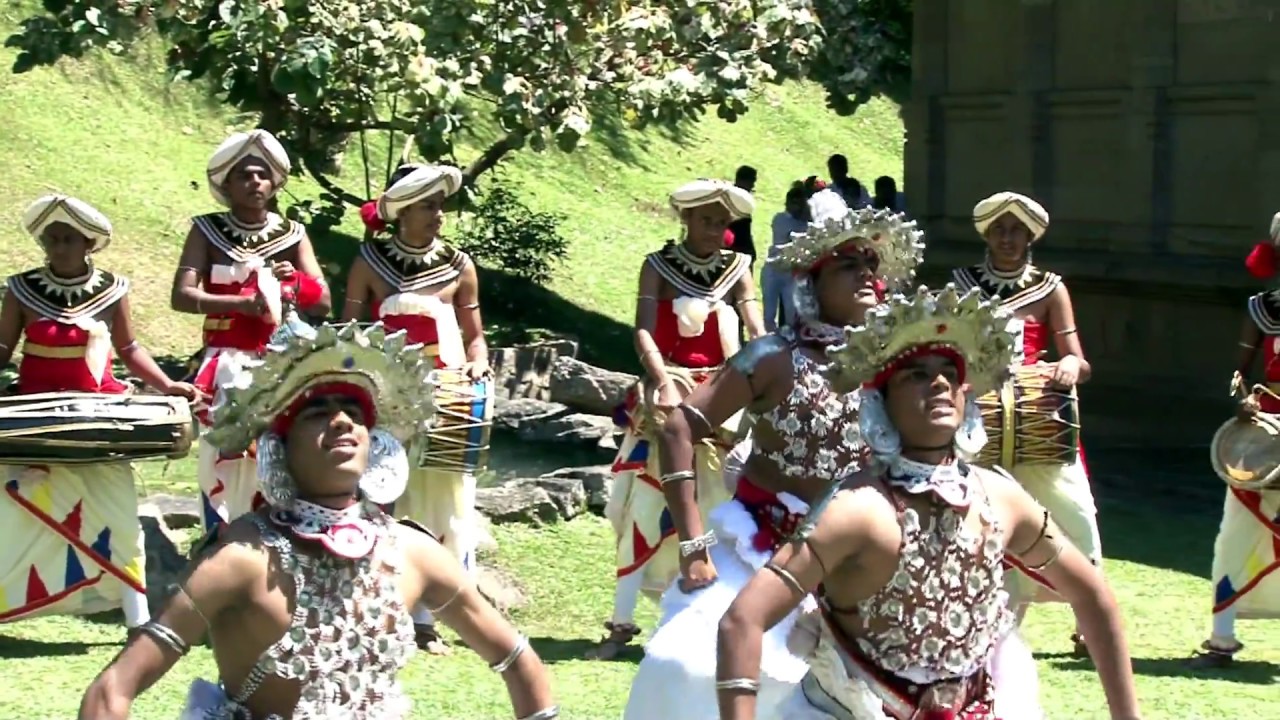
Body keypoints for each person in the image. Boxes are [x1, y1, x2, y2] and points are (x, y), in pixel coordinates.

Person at [77, 318, 558, 720]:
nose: (343, 422)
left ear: (376, 445)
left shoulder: (413, 553)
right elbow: (112, 690)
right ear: (278, 449)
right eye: (318, 412)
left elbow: (519, 661)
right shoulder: (243, 557)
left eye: (354, 411)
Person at [716, 285, 1143, 720]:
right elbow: (741, 621)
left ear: (966, 395)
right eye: (915, 374)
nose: (938, 383)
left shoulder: (1000, 498)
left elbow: (1093, 596)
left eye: (950, 373)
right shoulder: (858, 509)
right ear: (881, 403)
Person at [622, 190, 926, 719]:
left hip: (858, 567)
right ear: (811, 284)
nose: (866, 277)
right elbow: (677, 429)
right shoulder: (772, 357)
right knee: (686, 663)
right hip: (759, 548)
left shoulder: (897, 368)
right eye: (848, 266)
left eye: (870, 267)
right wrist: (693, 545)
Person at [0, 195, 196, 629]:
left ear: (88, 243)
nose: (58, 247)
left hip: (100, 417)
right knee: (10, 512)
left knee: (119, 515)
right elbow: (2, 349)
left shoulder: (113, 289)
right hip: (31, 418)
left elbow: (129, 348)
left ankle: (136, 615)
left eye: (68, 238)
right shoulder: (20, 289)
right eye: (51, 239)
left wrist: (167, 385)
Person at [589, 178, 765, 659]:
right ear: (685, 219)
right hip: (668, 392)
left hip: (722, 398)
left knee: (719, 508)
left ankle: (711, 624)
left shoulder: (738, 268)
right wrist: (661, 378)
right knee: (644, 509)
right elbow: (644, 333)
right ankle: (621, 626)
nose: (715, 230)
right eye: (707, 220)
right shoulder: (658, 267)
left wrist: (766, 367)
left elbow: (756, 326)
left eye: (722, 222)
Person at [346, 162, 491, 653]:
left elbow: (475, 338)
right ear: (403, 210)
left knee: (448, 507)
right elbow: (349, 335)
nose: (439, 216)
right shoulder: (369, 261)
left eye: (440, 205)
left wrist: (477, 366)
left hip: (447, 399)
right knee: (387, 502)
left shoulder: (459, 264)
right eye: (428, 206)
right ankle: (386, 611)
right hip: (389, 402)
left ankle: (441, 618)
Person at [950, 191, 1100, 653]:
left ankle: (1090, 620)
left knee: (1076, 516)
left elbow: (1078, 359)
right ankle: (992, 625)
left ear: (1031, 235)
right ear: (986, 235)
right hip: (984, 422)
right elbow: (947, 350)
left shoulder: (1051, 287)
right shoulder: (962, 284)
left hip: (1039, 421)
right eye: (999, 229)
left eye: (1016, 229)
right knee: (987, 521)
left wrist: (1070, 368)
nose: (1008, 238)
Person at [172, 129, 332, 532]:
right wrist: (240, 305)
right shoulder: (206, 232)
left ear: (275, 182)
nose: (254, 182)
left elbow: (323, 301)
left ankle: (275, 539)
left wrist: (291, 281)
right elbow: (181, 295)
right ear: (225, 184)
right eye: (243, 175)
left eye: (262, 175)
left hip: (277, 365)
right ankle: (220, 537)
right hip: (223, 363)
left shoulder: (292, 236)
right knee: (219, 457)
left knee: (277, 454)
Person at [1186, 283, 1280, 668]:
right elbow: (1237, 374)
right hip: (1264, 437)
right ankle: (1221, 639)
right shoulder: (1265, 308)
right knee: (1234, 537)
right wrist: (1244, 399)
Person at [761, 184, 810, 331]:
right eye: (793, 203)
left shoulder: (806, 224)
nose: (796, 207)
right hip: (773, 270)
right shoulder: (780, 219)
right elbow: (792, 238)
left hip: (791, 273)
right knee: (769, 313)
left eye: (799, 203)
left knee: (791, 313)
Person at [727, 165, 758, 267]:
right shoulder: (733, 199)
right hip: (736, 252)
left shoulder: (739, 198)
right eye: (752, 182)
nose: (753, 186)